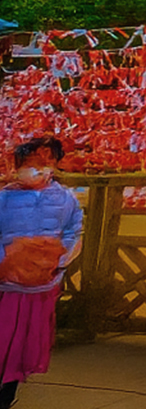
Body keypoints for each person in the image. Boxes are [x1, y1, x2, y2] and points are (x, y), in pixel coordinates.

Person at [0, 137, 82, 409]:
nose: (35, 170)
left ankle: (6, 395)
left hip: (41, 289)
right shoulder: (4, 198)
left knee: (22, 346)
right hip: (6, 286)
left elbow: (73, 233)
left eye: (43, 164)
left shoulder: (66, 199)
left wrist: (58, 261)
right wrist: (8, 260)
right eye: (28, 165)